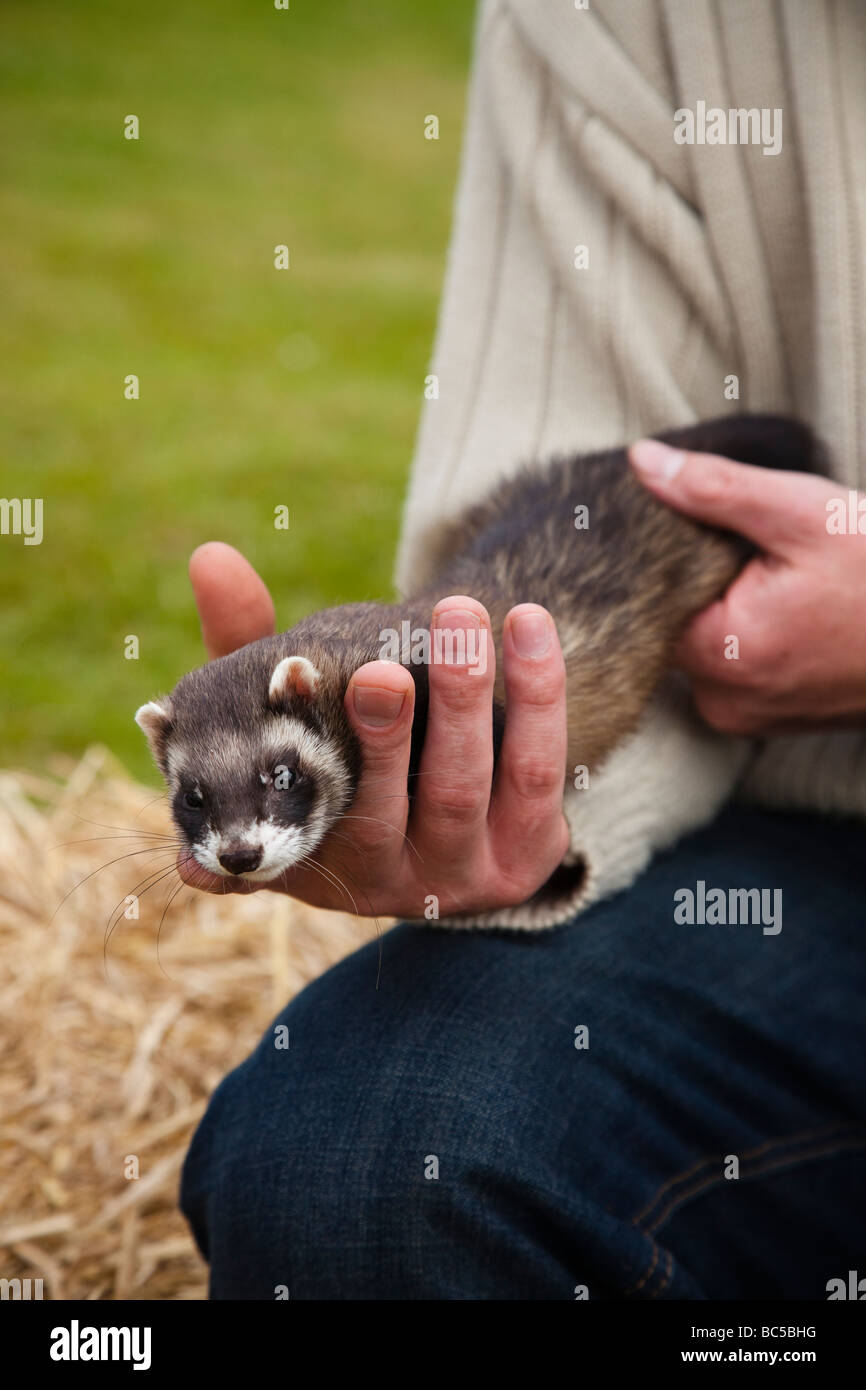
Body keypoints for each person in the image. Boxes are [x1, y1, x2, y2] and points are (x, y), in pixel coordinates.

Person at [180, 0, 866, 1297]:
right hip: (791, 848)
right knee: (361, 1169)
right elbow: (571, 536)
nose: (230, 843)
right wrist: (526, 806)